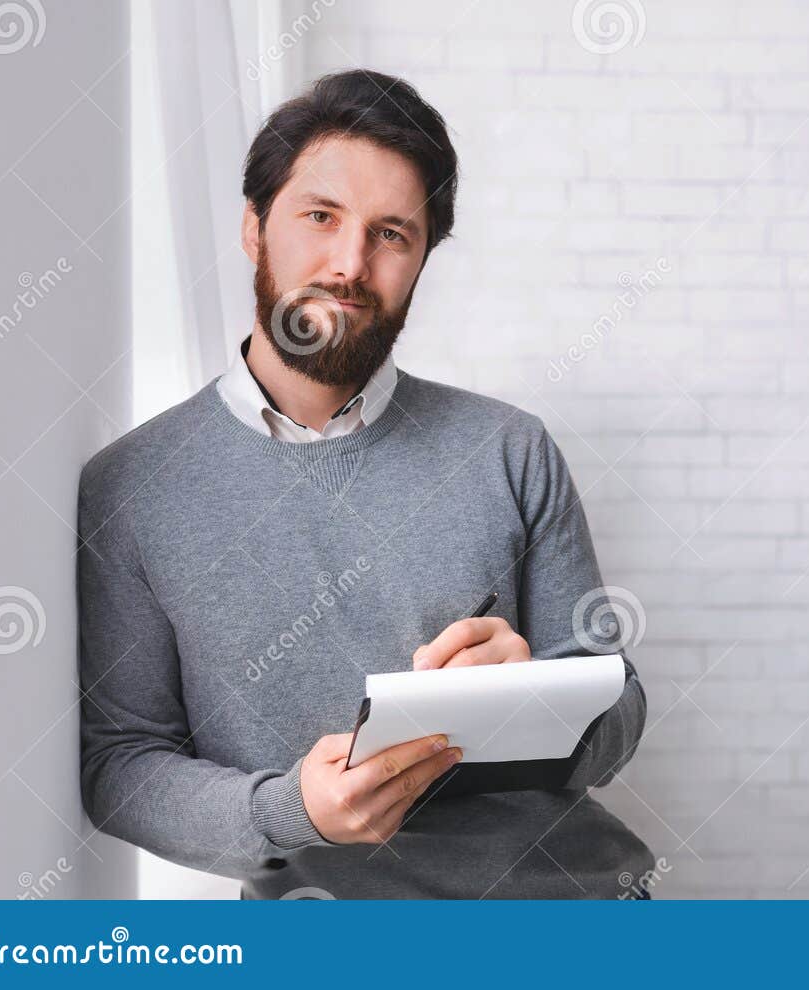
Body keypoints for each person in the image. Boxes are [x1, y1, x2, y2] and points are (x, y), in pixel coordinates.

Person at [77, 69, 653, 899]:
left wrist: (542, 699)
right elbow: (121, 766)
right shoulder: (131, 488)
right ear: (253, 228)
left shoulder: (510, 448)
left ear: (421, 261)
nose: (350, 264)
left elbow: (620, 708)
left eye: (391, 234)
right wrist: (291, 812)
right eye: (321, 217)